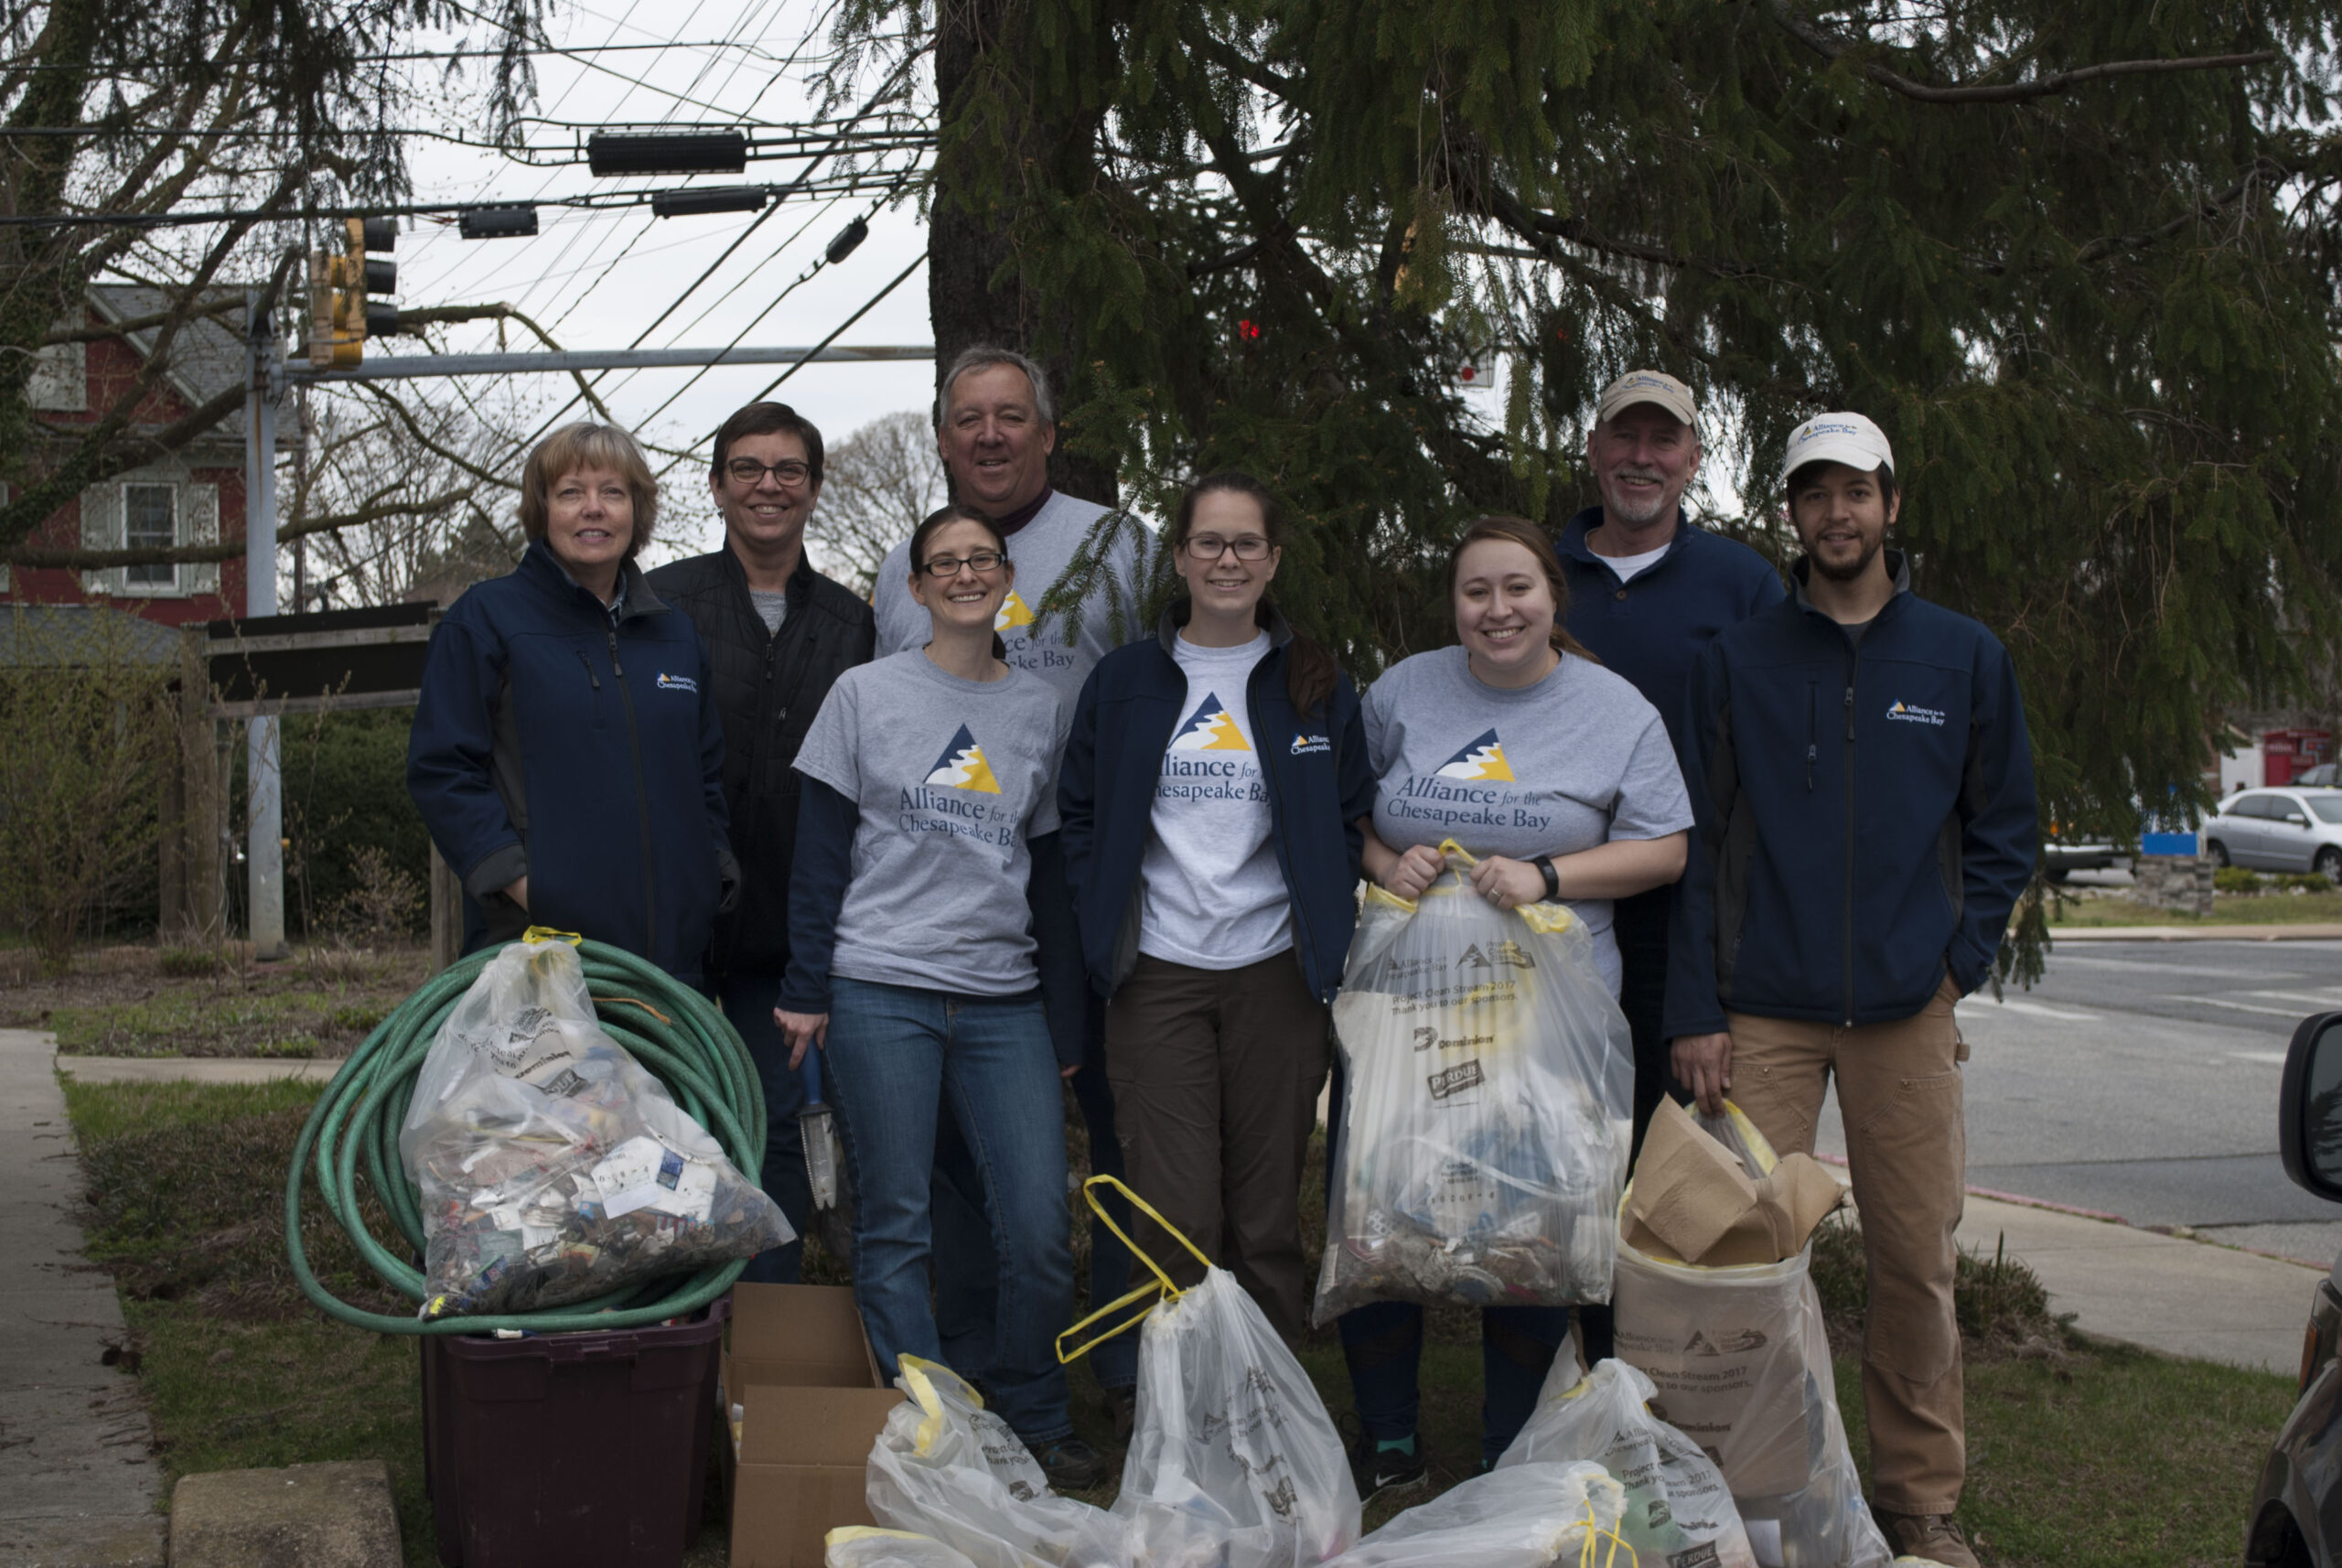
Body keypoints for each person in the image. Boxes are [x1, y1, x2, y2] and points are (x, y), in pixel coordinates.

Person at [1665, 413, 2037, 1568]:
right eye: (1814, 493)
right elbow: (1694, 838)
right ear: (1790, 513)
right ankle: (1736, 1487)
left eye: (1856, 492)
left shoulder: (1960, 655)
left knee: (1914, 1260)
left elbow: (2005, 825)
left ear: (1890, 503)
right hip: (1760, 1010)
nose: (1838, 513)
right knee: (1733, 1254)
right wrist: (1695, 1008)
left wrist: (1956, 958)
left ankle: (1919, 1499)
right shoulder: (1737, 660)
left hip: (1901, 1011)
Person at [1338, 515, 1692, 1496]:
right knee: (1382, 1216)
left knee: (1529, 1225)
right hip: (1411, 1008)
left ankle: (1507, 1443)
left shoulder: (1614, 709)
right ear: (1453, 604)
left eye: (1517, 589)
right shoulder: (1403, 690)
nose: (1497, 610)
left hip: (1551, 1015)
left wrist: (1550, 872)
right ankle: (1390, 1439)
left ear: (1552, 598)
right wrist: (1383, 858)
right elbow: (1345, 809)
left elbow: (1666, 846)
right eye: (1476, 592)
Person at [776, 502, 1108, 1491]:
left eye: (981, 560)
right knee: (898, 1222)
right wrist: (805, 988)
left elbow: (1045, 872)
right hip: (880, 985)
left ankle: (1034, 1410)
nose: (963, 574)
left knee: (1040, 1228)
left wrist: (1061, 1014)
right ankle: (934, 1425)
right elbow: (819, 853)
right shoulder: (864, 693)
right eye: (942, 563)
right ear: (914, 588)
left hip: (1003, 996)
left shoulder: (1038, 711)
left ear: (1008, 579)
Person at [870, 346, 1153, 1429]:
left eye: (1011, 416)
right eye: (969, 419)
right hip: (959, 882)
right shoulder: (911, 567)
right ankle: (985, 1361)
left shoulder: (1116, 548)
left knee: (1118, 1124)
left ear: (1047, 432)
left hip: (1098, 872)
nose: (990, 436)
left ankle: (1126, 1363)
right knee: (966, 1148)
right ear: (942, 440)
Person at [1058, 472, 1373, 1347]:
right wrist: (1099, 922)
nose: (1227, 559)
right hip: (1156, 974)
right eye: (1209, 542)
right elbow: (1079, 813)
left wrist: (1325, 920)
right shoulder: (1127, 681)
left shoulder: (1314, 680)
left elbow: (1352, 815)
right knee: (1177, 1218)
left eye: (1246, 544)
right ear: (1180, 557)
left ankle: (1274, 1427)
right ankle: (1182, 1420)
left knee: (1267, 1222)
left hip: (1276, 974)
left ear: (1273, 561)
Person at [1552, 369, 1786, 1363]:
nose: (1642, 458)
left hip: (1682, 920)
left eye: (1665, 441)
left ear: (1693, 459)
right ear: (1594, 447)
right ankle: (1574, 1367)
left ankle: (1665, 1369)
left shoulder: (1742, 587)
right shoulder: (1538, 570)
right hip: (1552, 915)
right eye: (1624, 437)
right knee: (1565, 1150)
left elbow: (1766, 770)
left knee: (1662, 1153)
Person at [645, 402, 876, 1283]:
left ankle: (761, 1350)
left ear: (814, 490)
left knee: (779, 1134)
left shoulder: (853, 625)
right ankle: (667, 1337)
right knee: (666, 1129)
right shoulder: (662, 603)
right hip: (672, 932)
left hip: (790, 941)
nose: (768, 485)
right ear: (715, 486)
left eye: (788, 470)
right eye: (748, 468)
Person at [408, 421, 735, 983]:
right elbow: (443, 770)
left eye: (613, 492)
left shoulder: (674, 635)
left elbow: (704, 777)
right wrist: (524, 885)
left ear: (636, 511)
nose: (594, 509)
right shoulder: (486, 621)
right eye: (570, 493)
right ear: (542, 510)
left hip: (671, 963)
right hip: (537, 950)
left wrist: (712, 875)